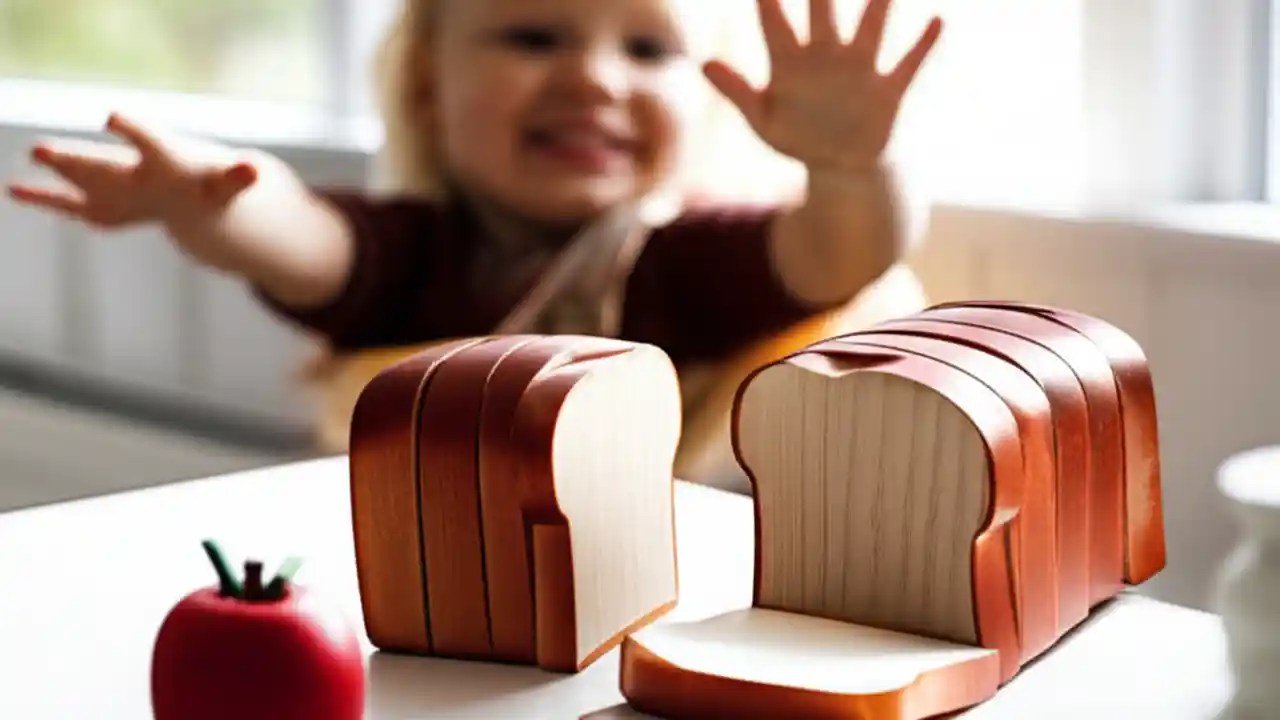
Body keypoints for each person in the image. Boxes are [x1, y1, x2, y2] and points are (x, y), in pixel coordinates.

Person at [6, 0, 940, 473]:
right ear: (425, 88)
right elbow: (310, 241)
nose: (596, 80)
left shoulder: (679, 256)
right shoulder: (419, 249)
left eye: (648, 50)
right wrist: (216, 206)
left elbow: (837, 256)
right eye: (534, 37)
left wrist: (852, 168)